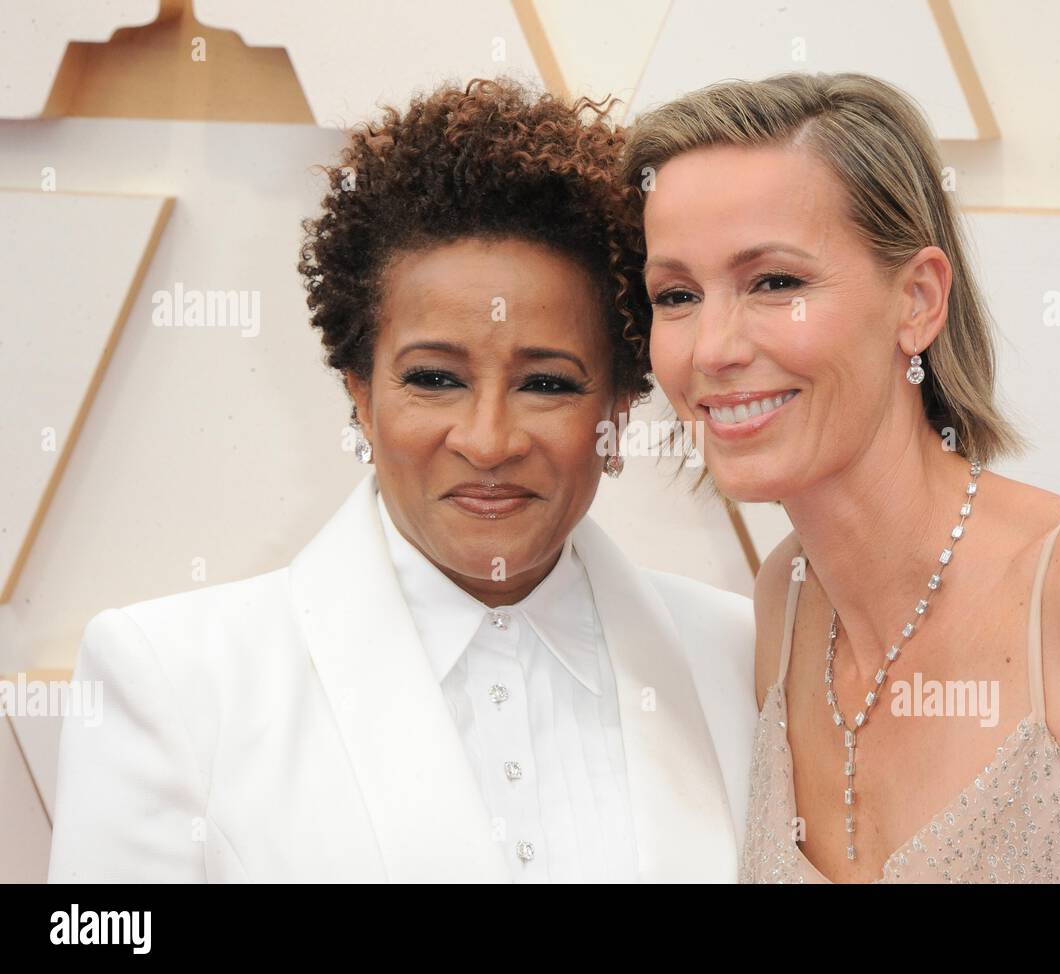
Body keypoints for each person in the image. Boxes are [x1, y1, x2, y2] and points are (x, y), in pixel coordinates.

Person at [47, 77, 755, 883]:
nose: (488, 441)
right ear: (360, 389)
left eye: (548, 384)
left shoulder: (741, 658)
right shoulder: (171, 680)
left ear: (622, 400)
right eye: (434, 379)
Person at [624, 71, 1060, 883]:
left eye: (776, 283)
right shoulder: (787, 602)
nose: (712, 349)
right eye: (677, 294)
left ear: (917, 300)